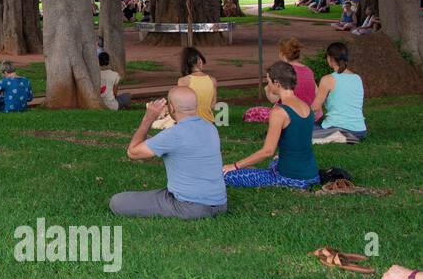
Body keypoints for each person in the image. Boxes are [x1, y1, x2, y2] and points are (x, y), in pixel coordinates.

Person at [109, 86, 227, 219]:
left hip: (189, 207)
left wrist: (148, 118)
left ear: (171, 108)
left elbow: (133, 152)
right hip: (220, 204)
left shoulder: (174, 134)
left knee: (117, 202)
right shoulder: (210, 128)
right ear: (195, 105)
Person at [223, 61, 320, 189]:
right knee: (275, 160)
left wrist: (235, 165)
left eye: (268, 81)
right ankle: (248, 170)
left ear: (277, 83)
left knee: (224, 175)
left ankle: (241, 170)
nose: (267, 85)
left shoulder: (279, 111)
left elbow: (267, 151)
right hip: (312, 176)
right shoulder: (306, 106)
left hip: (289, 178)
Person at [312, 41, 367, 143]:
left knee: (300, 131)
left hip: (338, 127)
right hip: (360, 130)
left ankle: (338, 136)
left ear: (330, 58)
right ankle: (343, 137)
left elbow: (315, 107)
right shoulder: (357, 78)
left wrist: (298, 114)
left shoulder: (328, 79)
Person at [177, 46, 217, 122]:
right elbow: (212, 105)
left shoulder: (183, 81)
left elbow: (181, 106)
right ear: (200, 61)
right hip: (209, 122)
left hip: (190, 123)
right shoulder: (212, 80)